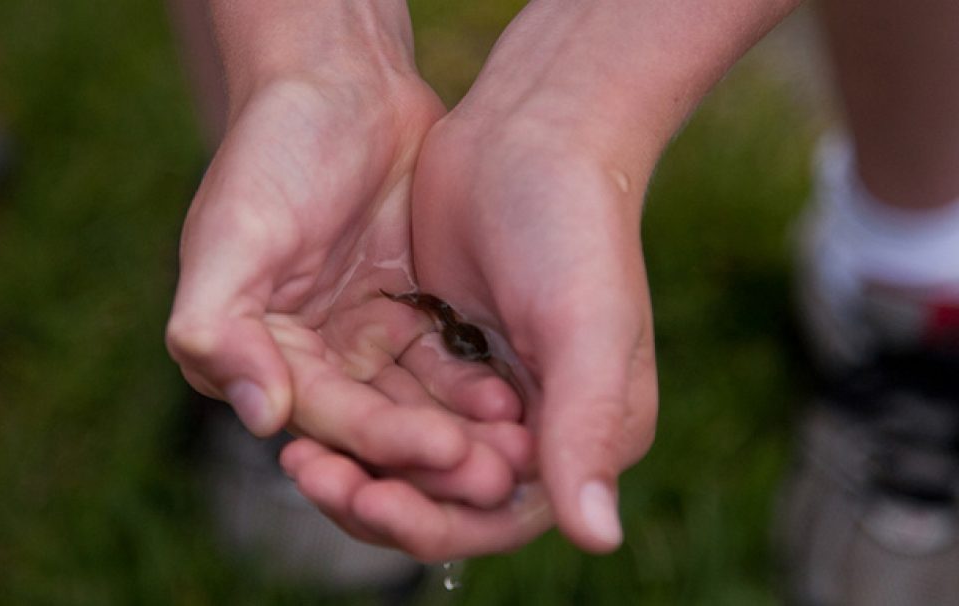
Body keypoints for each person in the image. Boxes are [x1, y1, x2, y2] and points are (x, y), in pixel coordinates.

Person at [165, 1, 959, 602]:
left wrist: (573, 90)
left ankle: (918, 274)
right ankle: (285, 267)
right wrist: (314, 55)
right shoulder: (447, 325)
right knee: (289, 80)